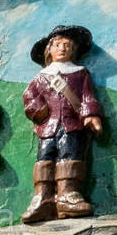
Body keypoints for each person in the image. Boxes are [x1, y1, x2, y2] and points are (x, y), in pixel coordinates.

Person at [20, 24, 103, 222]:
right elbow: (29, 96)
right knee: (44, 159)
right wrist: (38, 110)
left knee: (70, 157)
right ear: (50, 50)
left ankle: (68, 195)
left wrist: (91, 115)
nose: (62, 49)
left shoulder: (80, 73)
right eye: (57, 45)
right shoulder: (42, 76)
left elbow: (87, 97)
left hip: (72, 126)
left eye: (67, 45)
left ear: (73, 50)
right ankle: (42, 198)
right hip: (48, 127)